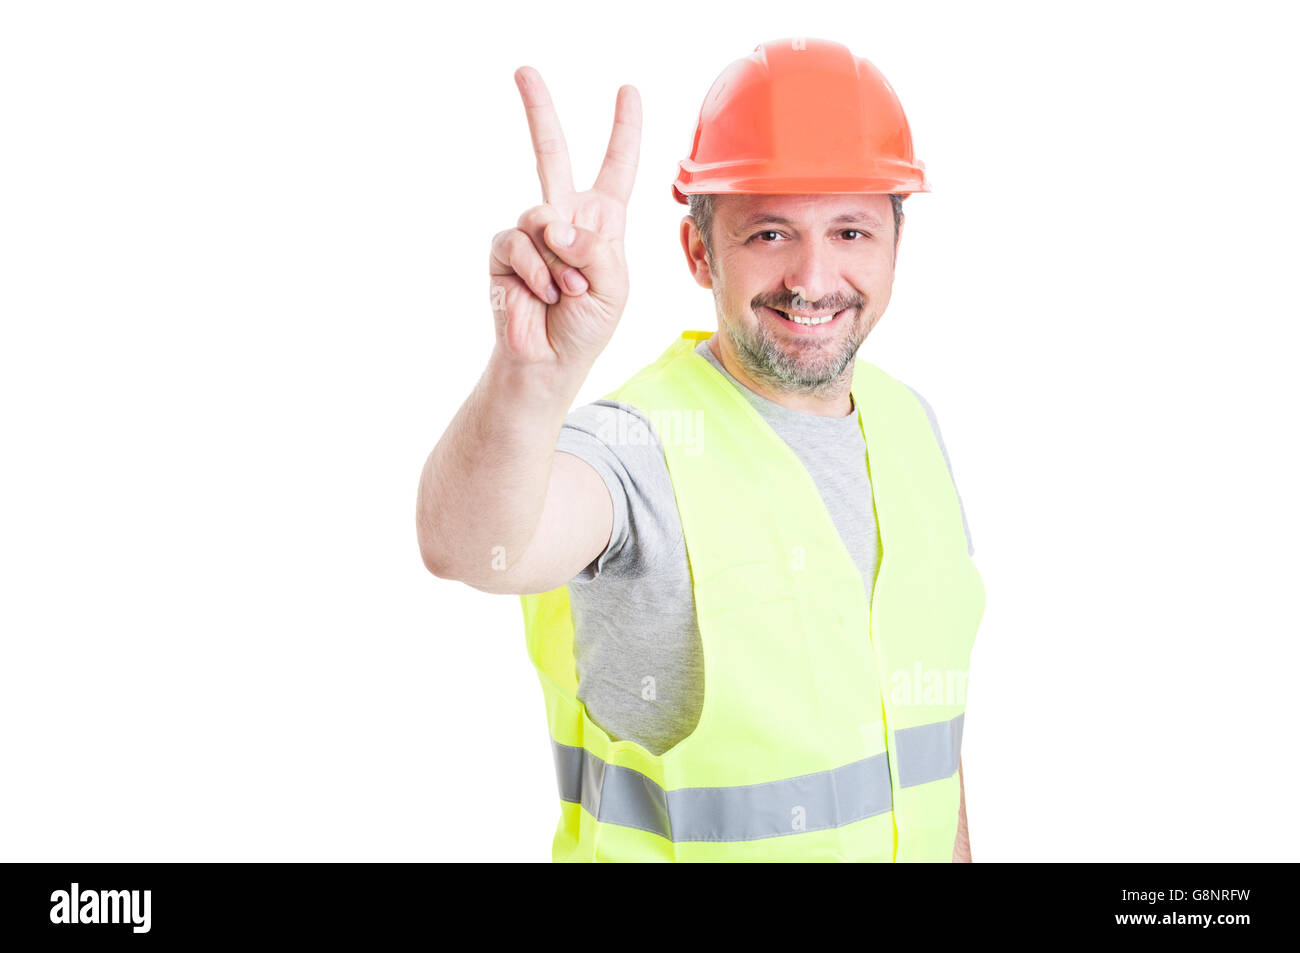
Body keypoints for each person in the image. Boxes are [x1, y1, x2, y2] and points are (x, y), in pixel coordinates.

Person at [416, 37, 985, 862]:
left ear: (897, 242)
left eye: (852, 230)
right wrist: (531, 374)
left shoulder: (910, 426)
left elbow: (926, 748)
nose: (813, 276)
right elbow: (469, 545)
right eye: (769, 234)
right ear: (697, 252)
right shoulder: (638, 448)